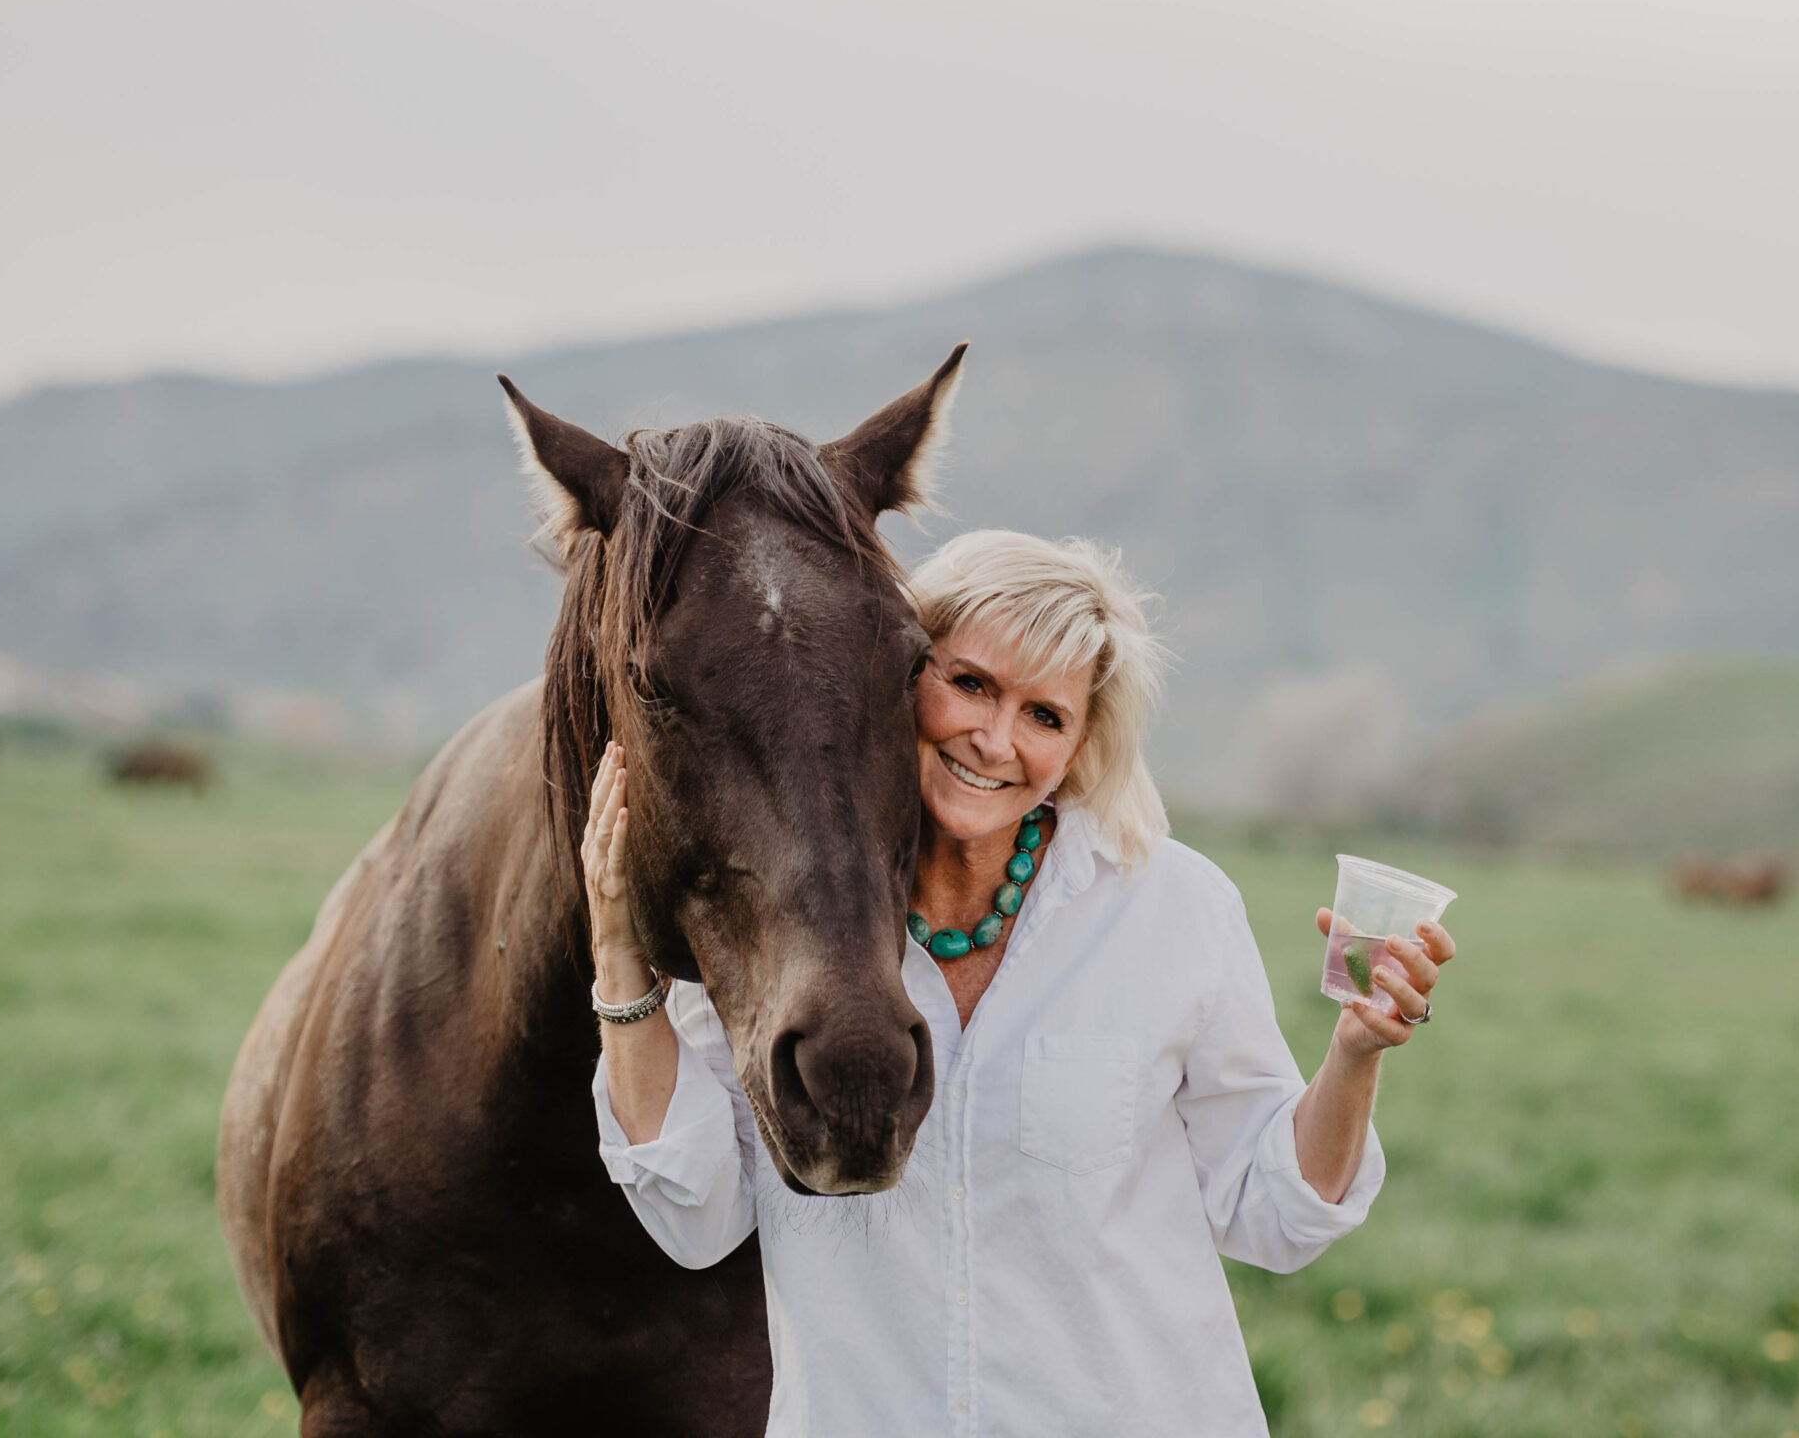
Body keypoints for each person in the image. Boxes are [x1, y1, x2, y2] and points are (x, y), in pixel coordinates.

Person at [585, 529, 1455, 1436]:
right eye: (970, 684)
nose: (995, 740)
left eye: (1046, 715)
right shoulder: (773, 916)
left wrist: (1354, 1053)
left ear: (1081, 745)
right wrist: (620, 952)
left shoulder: (1173, 907)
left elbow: (1273, 1213)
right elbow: (696, 1217)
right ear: (896, 674)